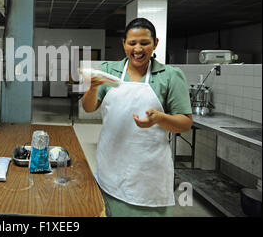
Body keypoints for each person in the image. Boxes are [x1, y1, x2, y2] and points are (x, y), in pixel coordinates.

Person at [81, 17, 193, 217]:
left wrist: (159, 118)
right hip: (110, 169)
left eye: (144, 43)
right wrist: (93, 87)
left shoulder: (170, 76)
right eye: (132, 43)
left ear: (155, 43)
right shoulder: (109, 71)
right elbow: (88, 108)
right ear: (123, 43)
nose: (138, 49)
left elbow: (185, 123)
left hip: (148, 175)